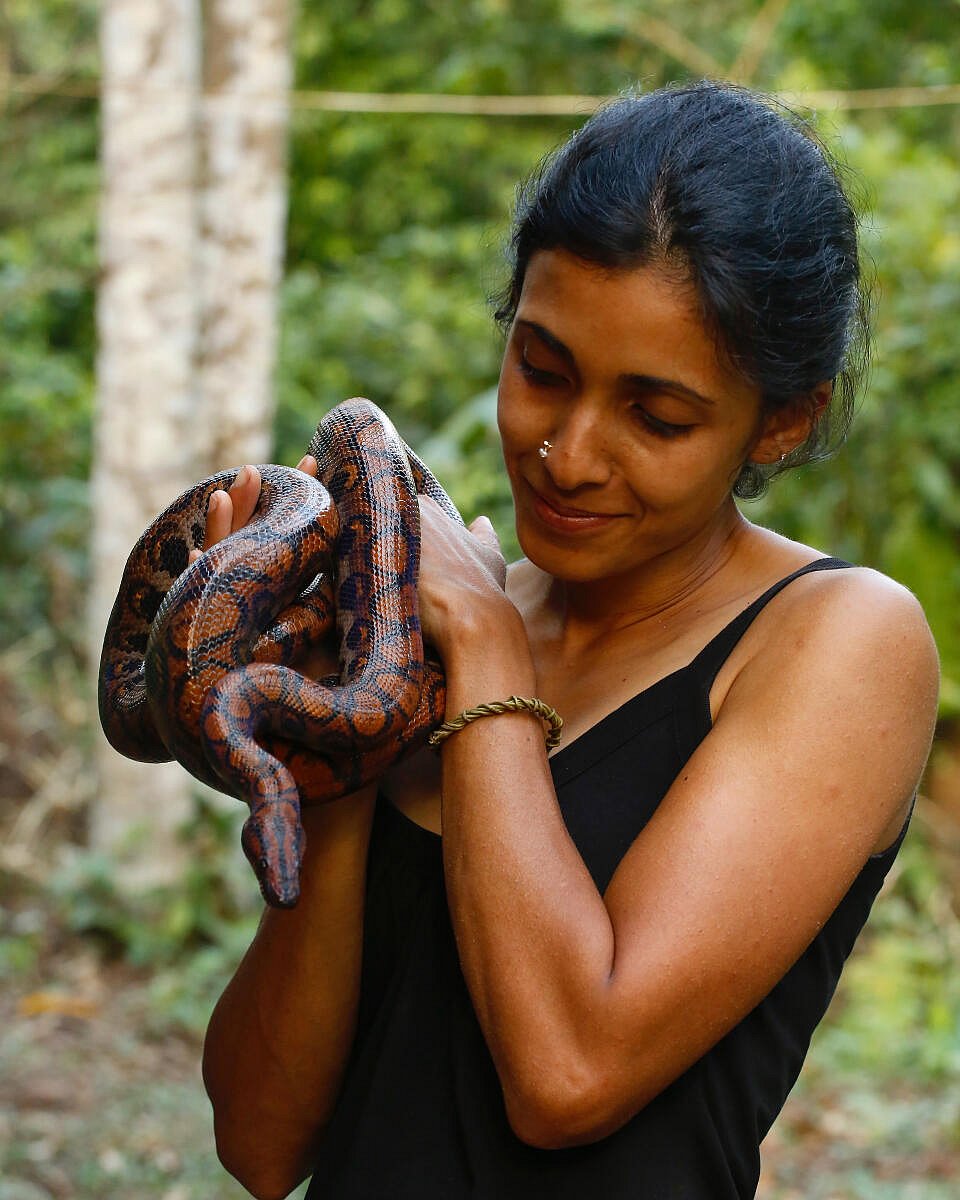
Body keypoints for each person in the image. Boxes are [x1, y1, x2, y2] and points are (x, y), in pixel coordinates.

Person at [199, 81, 939, 1199]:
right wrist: (341, 742)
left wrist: (485, 641)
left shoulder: (838, 640)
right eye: (542, 370)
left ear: (781, 422)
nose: (569, 454)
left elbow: (568, 1076)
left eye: (658, 417)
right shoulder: (426, 632)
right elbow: (260, 1148)